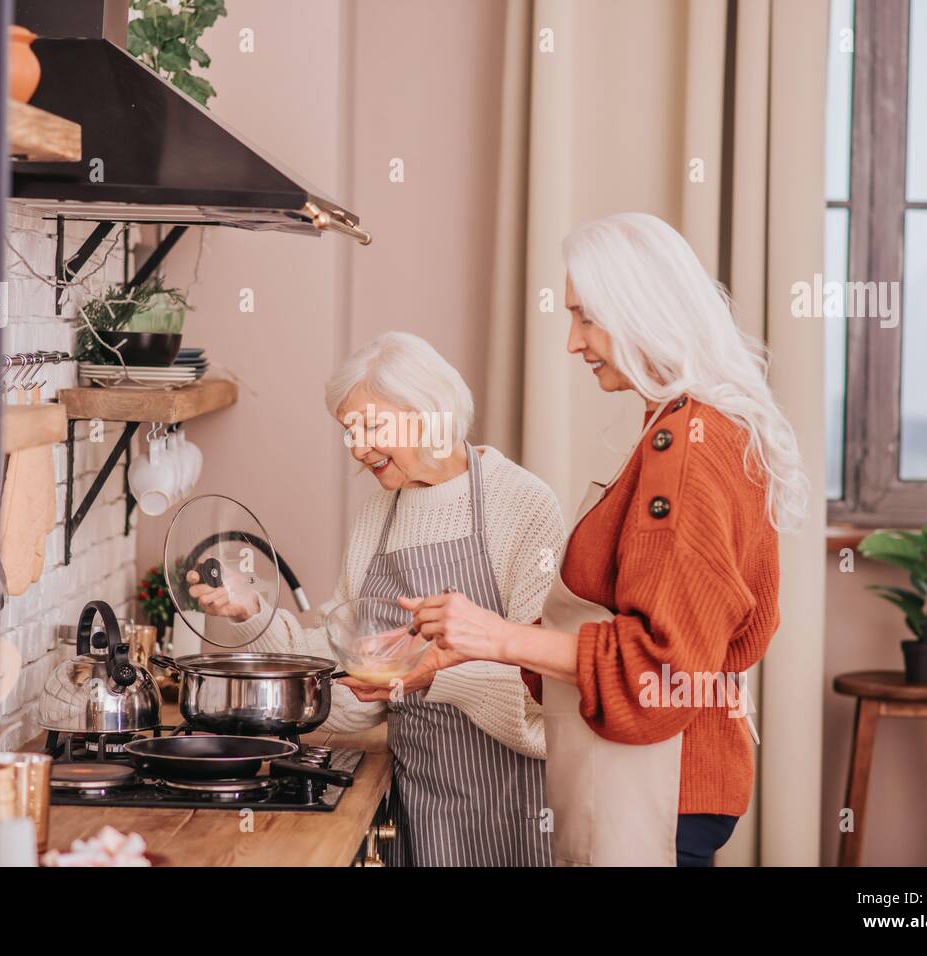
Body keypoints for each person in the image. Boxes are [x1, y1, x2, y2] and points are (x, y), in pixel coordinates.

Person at [400, 213, 809, 866]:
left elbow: (661, 670)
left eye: (586, 317)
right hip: (666, 784)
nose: (572, 342)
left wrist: (497, 635)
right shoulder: (692, 428)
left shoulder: (689, 449)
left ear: (640, 311)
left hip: (655, 787)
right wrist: (467, 649)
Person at [186, 331, 565, 866]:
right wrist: (254, 615)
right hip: (419, 803)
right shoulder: (376, 517)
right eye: (349, 432)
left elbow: (545, 698)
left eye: (371, 426)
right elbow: (350, 684)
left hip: (515, 806)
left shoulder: (522, 506)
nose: (358, 448)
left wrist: (433, 673)